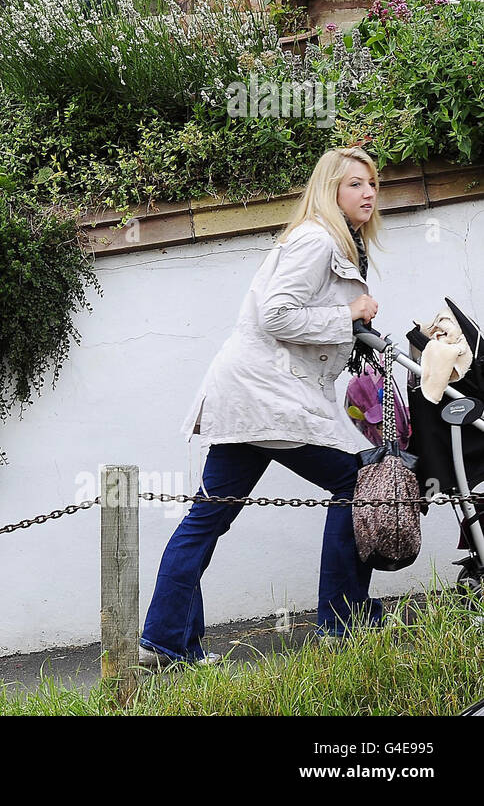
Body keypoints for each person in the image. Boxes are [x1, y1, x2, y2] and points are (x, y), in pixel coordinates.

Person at [139, 147, 385, 668]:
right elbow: (277, 315)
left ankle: (164, 643)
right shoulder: (318, 238)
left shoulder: (329, 240)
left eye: (372, 184)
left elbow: (300, 322)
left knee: (206, 519)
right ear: (329, 191)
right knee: (357, 483)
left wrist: (353, 333)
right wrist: (349, 315)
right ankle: (342, 627)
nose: (368, 193)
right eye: (355, 184)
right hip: (268, 399)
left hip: (253, 400)